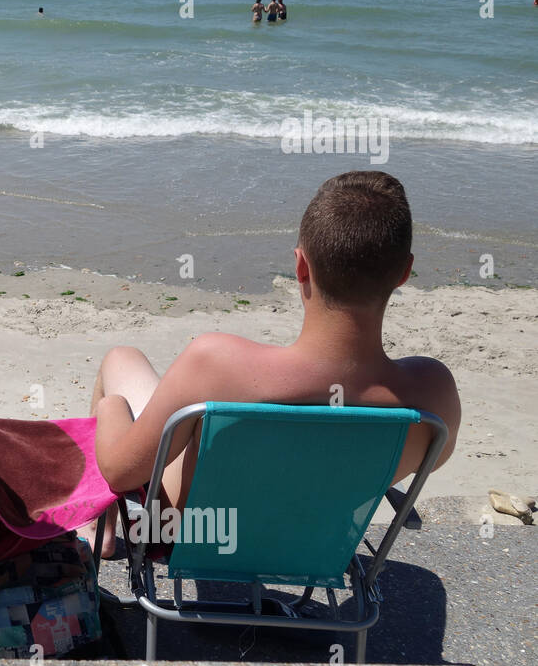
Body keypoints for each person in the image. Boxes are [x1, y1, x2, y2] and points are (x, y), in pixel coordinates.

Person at [90, 171, 462, 556]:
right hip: (314, 539)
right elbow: (426, 463)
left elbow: (120, 472)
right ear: (404, 272)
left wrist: (111, 408)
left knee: (121, 360)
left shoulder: (216, 363)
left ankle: (99, 530)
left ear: (301, 267)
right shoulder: (433, 391)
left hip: (188, 535)